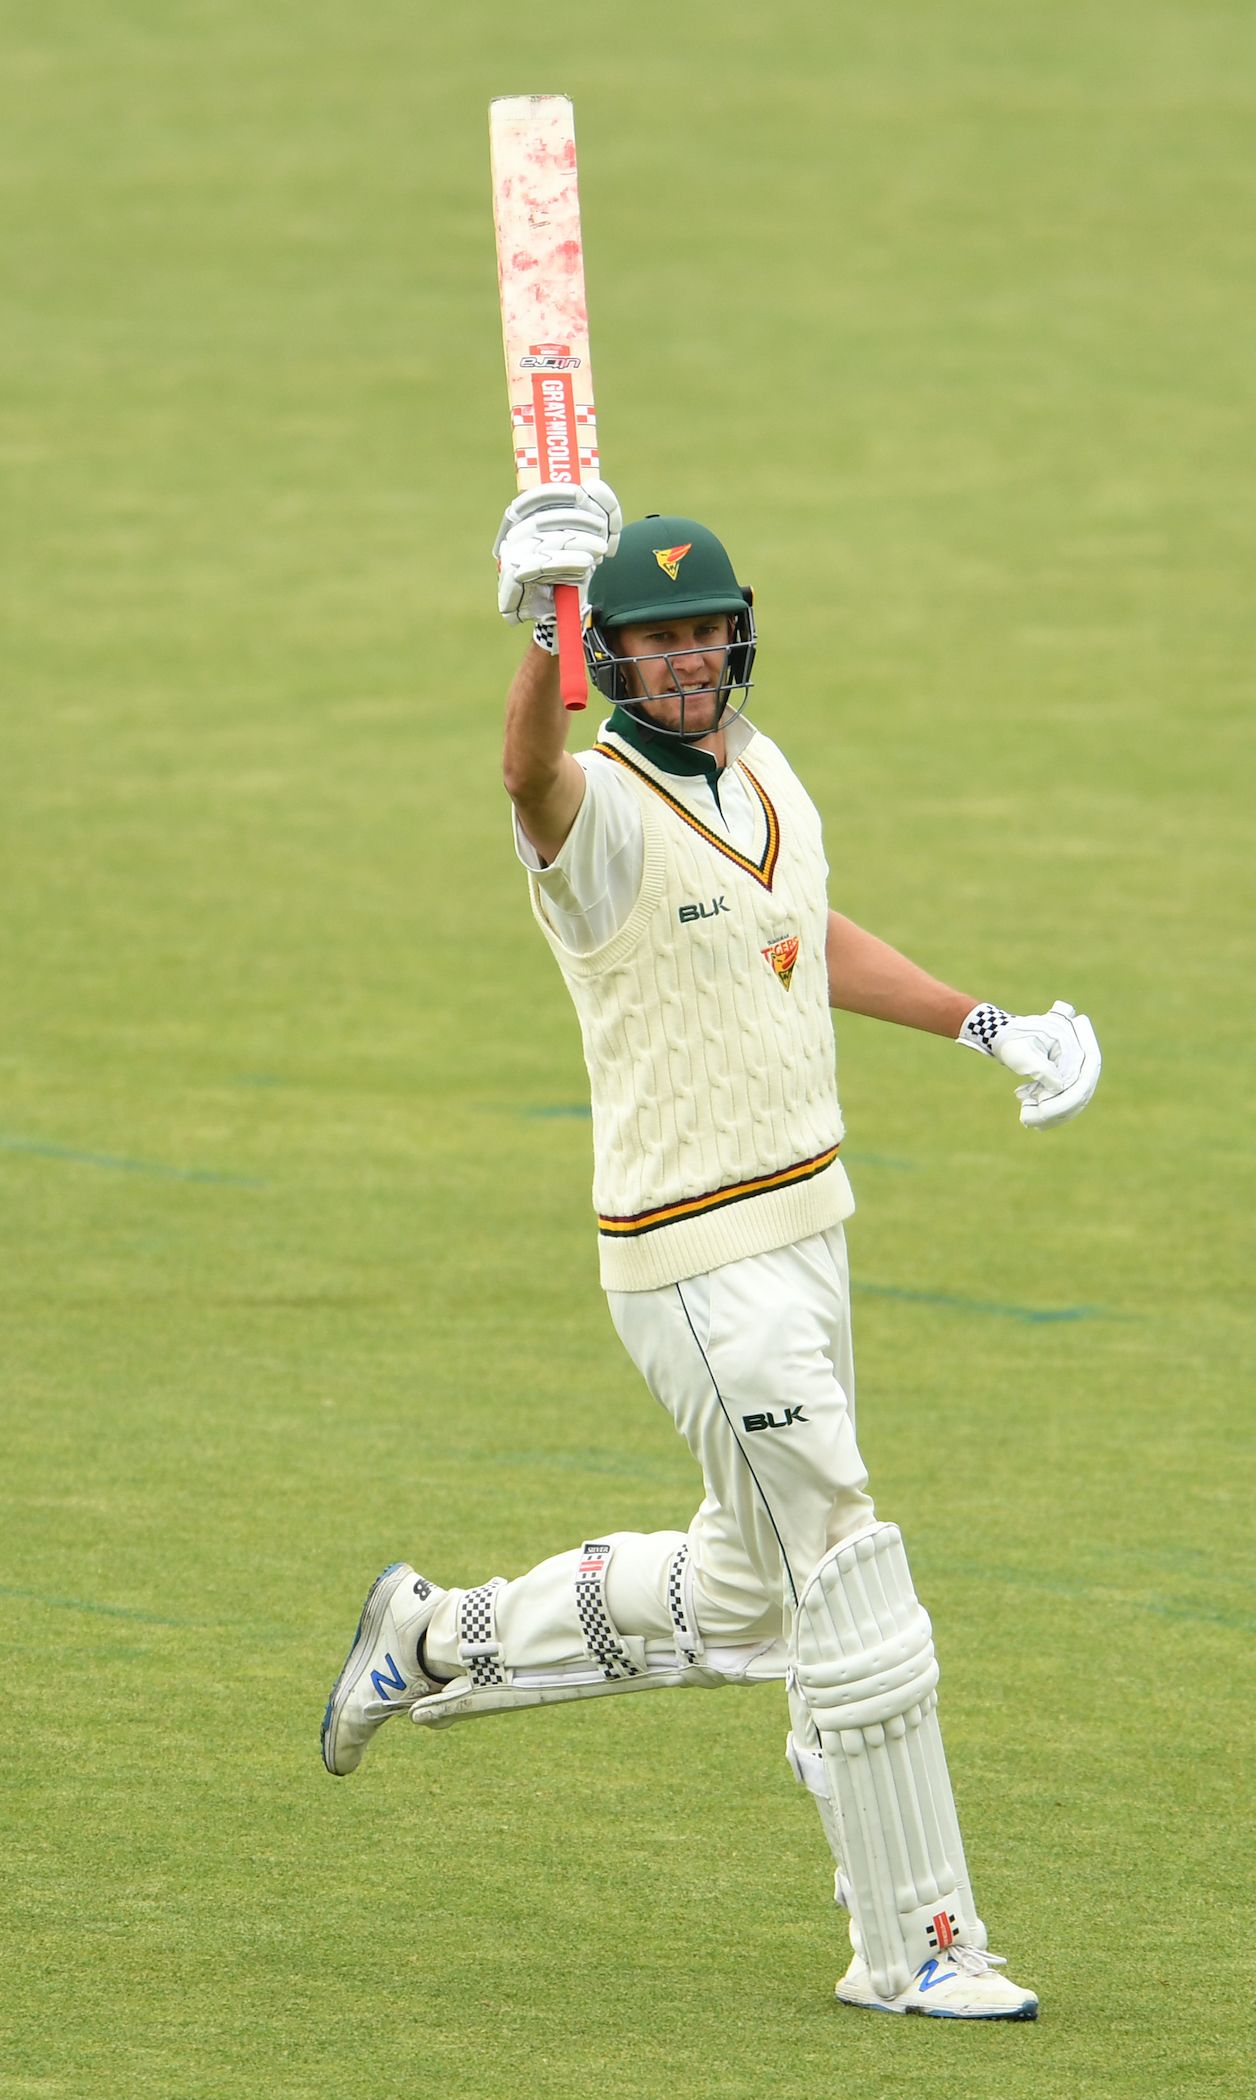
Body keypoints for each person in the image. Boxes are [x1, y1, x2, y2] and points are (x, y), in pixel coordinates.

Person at [321, 481, 1101, 2021]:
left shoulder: (764, 776)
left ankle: (429, 1635)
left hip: (811, 1229)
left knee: (748, 1593)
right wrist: (541, 616)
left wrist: (983, 1024)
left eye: (703, 634)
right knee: (844, 1566)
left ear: (738, 640)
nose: (685, 662)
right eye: (652, 640)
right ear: (608, 658)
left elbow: (798, 934)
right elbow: (521, 768)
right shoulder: (595, 817)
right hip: (693, 1263)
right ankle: (917, 1945)